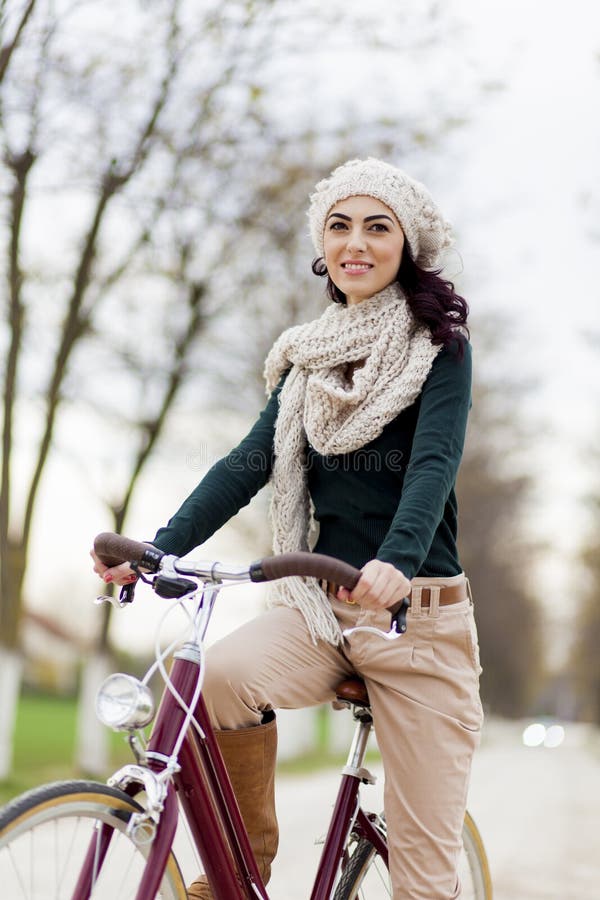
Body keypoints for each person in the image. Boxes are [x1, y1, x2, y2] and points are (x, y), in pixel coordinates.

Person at [92, 157, 483, 900]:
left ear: (407, 245)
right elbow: (248, 464)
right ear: (322, 245)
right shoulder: (306, 364)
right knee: (214, 678)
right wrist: (159, 548)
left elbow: (433, 466)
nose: (356, 243)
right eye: (339, 226)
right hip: (321, 611)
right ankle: (245, 871)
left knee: (426, 880)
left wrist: (398, 560)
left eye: (377, 227)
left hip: (416, 622)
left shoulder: (441, 349)